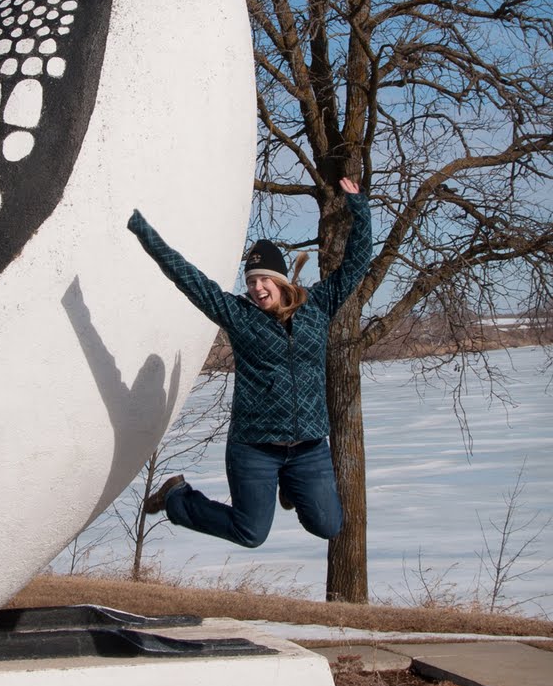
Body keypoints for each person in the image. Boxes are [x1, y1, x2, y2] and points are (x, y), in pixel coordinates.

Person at [127, 179, 371, 549]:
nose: (257, 288)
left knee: (328, 525)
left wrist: (359, 209)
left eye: (263, 279)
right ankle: (177, 497)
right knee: (251, 533)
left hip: (308, 445)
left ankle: (292, 486)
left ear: (280, 280)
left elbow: (355, 264)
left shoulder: (317, 305)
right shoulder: (240, 315)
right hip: (255, 446)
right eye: (251, 281)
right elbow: (188, 278)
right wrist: (141, 229)